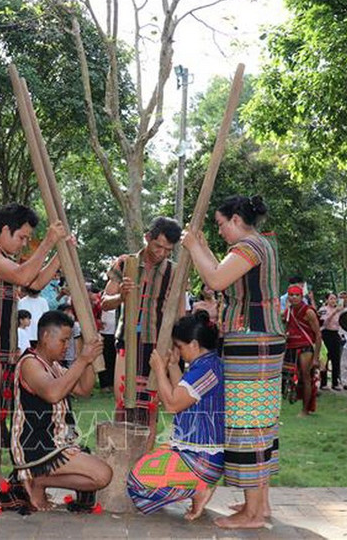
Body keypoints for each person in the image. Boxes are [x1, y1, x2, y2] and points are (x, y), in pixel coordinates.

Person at [182, 195, 285, 529]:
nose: (221, 230)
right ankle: (261, 505)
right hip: (261, 339)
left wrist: (192, 246)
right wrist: (200, 246)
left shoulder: (250, 247)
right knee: (260, 420)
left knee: (247, 422)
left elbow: (215, 280)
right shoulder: (257, 245)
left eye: (222, 223)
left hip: (251, 341)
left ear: (237, 219)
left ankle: (253, 514)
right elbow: (220, 271)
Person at [0, 203, 67, 507]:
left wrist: (61, 253)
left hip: (1, 349)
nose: (24, 243)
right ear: (6, 230)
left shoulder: (4, 257)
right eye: (22, 237)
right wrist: (47, 242)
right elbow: (23, 275)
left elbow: (35, 282)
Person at [9, 310, 111, 511]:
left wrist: (89, 361)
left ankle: (39, 480)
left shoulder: (54, 366)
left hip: (56, 443)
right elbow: (53, 393)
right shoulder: (29, 363)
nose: (67, 346)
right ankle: (37, 479)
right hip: (35, 446)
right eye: (64, 341)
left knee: (100, 475)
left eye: (69, 341)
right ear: (46, 336)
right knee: (102, 475)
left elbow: (84, 389)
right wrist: (82, 359)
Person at [128, 311, 224, 520]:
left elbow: (172, 404)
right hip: (198, 454)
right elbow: (182, 394)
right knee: (144, 466)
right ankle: (197, 487)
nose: (178, 350)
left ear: (194, 345)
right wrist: (172, 365)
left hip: (201, 460)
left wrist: (159, 370)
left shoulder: (206, 369)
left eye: (180, 346)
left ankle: (198, 488)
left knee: (137, 484)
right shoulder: (208, 364)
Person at [101, 216, 182, 444]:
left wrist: (176, 347)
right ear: (148, 238)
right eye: (158, 246)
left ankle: (144, 465)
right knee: (123, 401)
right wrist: (121, 296)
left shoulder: (174, 272)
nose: (161, 253)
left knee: (150, 406)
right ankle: (123, 459)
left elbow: (178, 313)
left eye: (168, 250)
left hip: (156, 344)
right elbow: (105, 302)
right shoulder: (125, 263)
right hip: (127, 341)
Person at [283, 284, 322, 416]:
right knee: (294, 378)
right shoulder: (288, 311)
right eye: (291, 295)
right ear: (288, 297)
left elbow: (318, 334)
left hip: (305, 348)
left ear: (301, 296)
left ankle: (305, 410)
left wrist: (316, 358)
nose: (294, 298)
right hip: (291, 347)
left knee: (306, 377)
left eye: (297, 295)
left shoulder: (308, 311)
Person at [319, 292, 344, 390]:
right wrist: (334, 312)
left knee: (336, 359)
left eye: (335, 298)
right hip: (326, 334)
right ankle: (323, 383)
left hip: (335, 334)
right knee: (325, 358)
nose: (333, 301)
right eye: (331, 298)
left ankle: (335, 383)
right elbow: (324, 322)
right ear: (327, 300)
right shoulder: (323, 309)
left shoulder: (339, 311)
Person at [98, 305, 117, 392]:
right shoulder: (101, 299)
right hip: (104, 334)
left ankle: (113, 383)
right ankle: (104, 384)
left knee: (114, 360)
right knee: (104, 360)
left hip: (116, 334)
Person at [57, 303, 82, 368]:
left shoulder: (74, 326)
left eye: (70, 311)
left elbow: (77, 339)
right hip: (59, 354)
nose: (69, 313)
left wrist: (77, 353)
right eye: (66, 311)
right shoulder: (56, 325)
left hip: (70, 355)